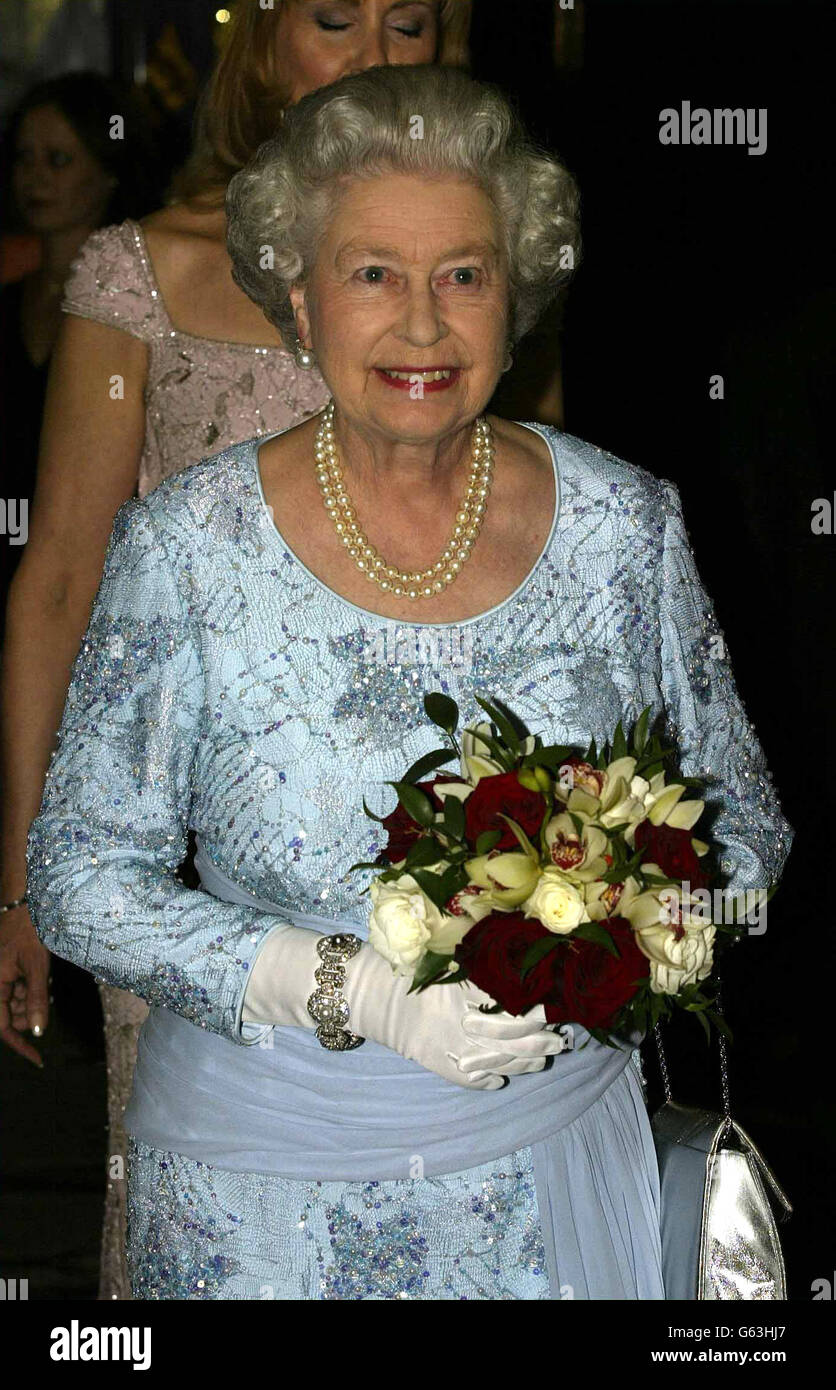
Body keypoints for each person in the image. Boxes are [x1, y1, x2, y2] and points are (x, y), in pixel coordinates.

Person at [25, 64, 793, 1300]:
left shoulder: (624, 524)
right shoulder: (187, 545)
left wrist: (619, 941)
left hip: (557, 1181)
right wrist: (356, 989)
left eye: (464, 275)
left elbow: (742, 825)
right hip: (257, 1205)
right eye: (372, 272)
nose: (424, 326)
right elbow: (75, 878)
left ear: (517, 292)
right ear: (299, 297)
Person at [0, 0, 473, 1301]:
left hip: (429, 859)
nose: (378, 55)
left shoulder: (490, 278)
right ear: (262, 41)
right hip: (195, 878)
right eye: (337, 19)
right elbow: (58, 586)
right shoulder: (138, 277)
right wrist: (23, 876)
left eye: (411, 23)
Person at [0, 72, 160, 639]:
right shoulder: (9, 302)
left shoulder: (134, 310)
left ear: (108, 170)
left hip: (91, 581)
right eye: (25, 157)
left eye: (59, 159)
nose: (34, 178)